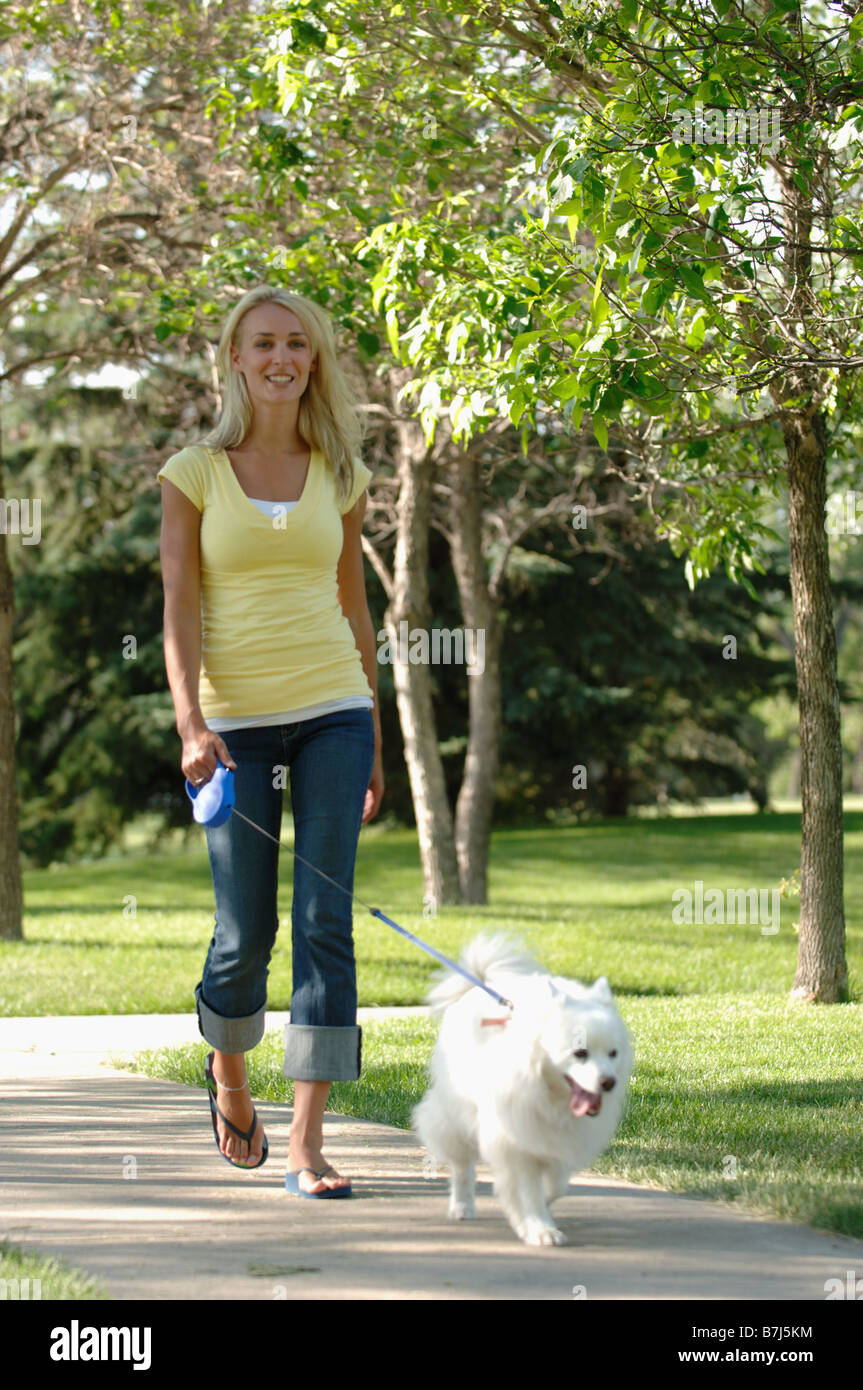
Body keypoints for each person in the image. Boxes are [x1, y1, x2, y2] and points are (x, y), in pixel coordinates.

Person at [158, 285, 384, 1196]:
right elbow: (179, 604)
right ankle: (228, 1079)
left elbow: (355, 606)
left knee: (326, 919)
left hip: (335, 708)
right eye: (263, 343)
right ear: (236, 359)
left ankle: (306, 1144)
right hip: (232, 726)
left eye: (297, 342)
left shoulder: (341, 473)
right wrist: (190, 720)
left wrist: (377, 733)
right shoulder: (194, 474)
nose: (281, 357)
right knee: (244, 930)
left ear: (313, 359)